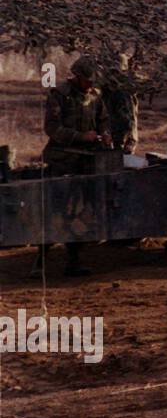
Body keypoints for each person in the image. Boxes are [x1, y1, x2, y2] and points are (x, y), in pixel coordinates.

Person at [33, 55, 111, 277]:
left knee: (82, 212)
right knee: (56, 211)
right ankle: (40, 261)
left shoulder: (96, 96)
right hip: (62, 160)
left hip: (86, 161)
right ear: (77, 77)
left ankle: (74, 261)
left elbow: (103, 119)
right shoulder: (60, 95)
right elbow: (52, 128)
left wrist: (105, 134)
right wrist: (81, 136)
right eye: (88, 80)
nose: (91, 84)